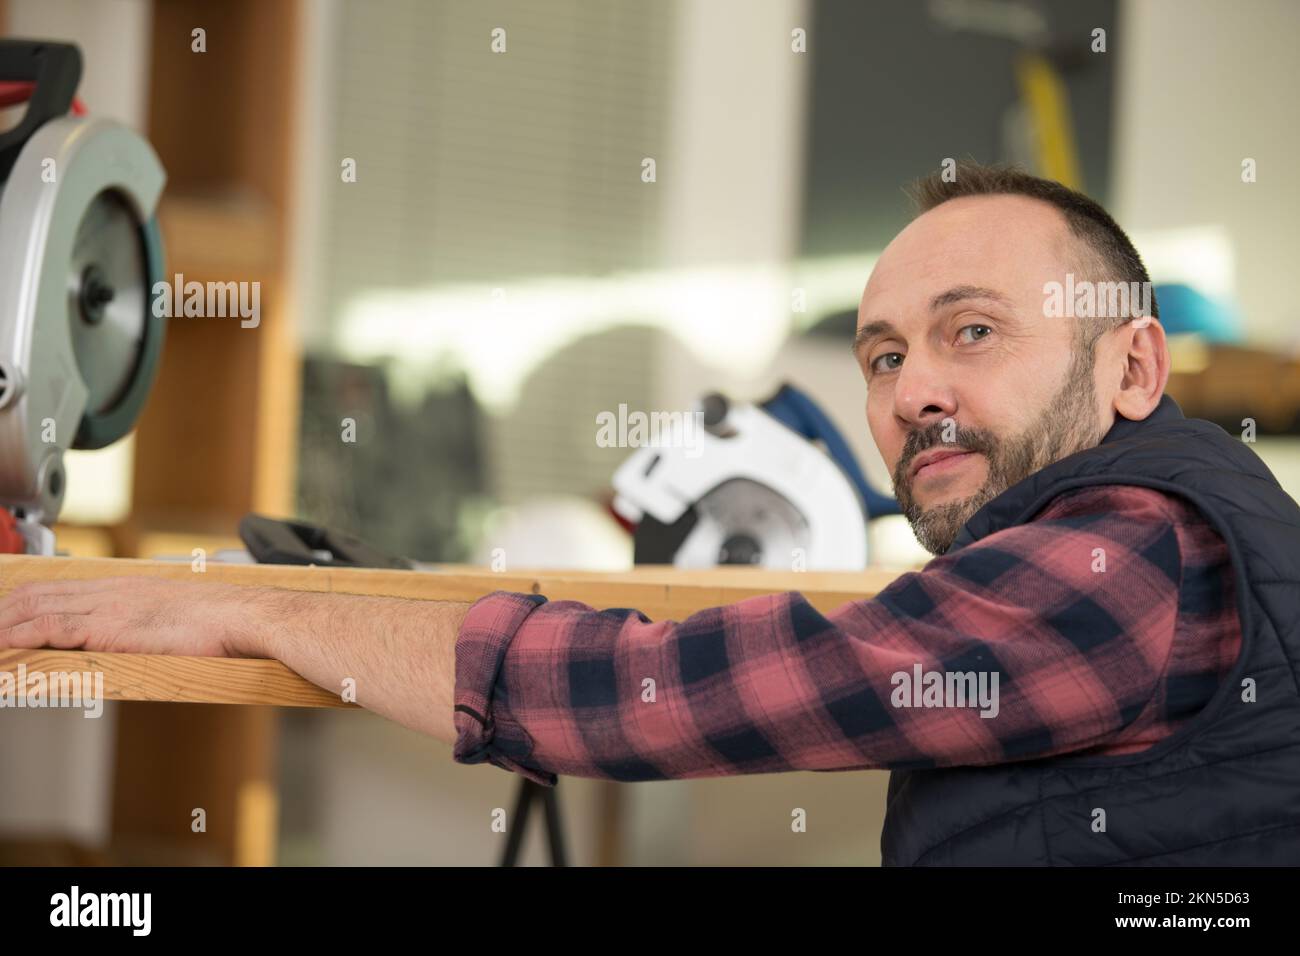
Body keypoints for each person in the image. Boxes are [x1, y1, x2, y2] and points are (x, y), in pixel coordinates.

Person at [3, 162, 1298, 865]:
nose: (917, 394)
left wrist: (240, 610)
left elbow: (676, 691)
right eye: (886, 356)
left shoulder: (1128, 558)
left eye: (972, 332)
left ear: (1134, 367)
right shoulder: (1118, 539)